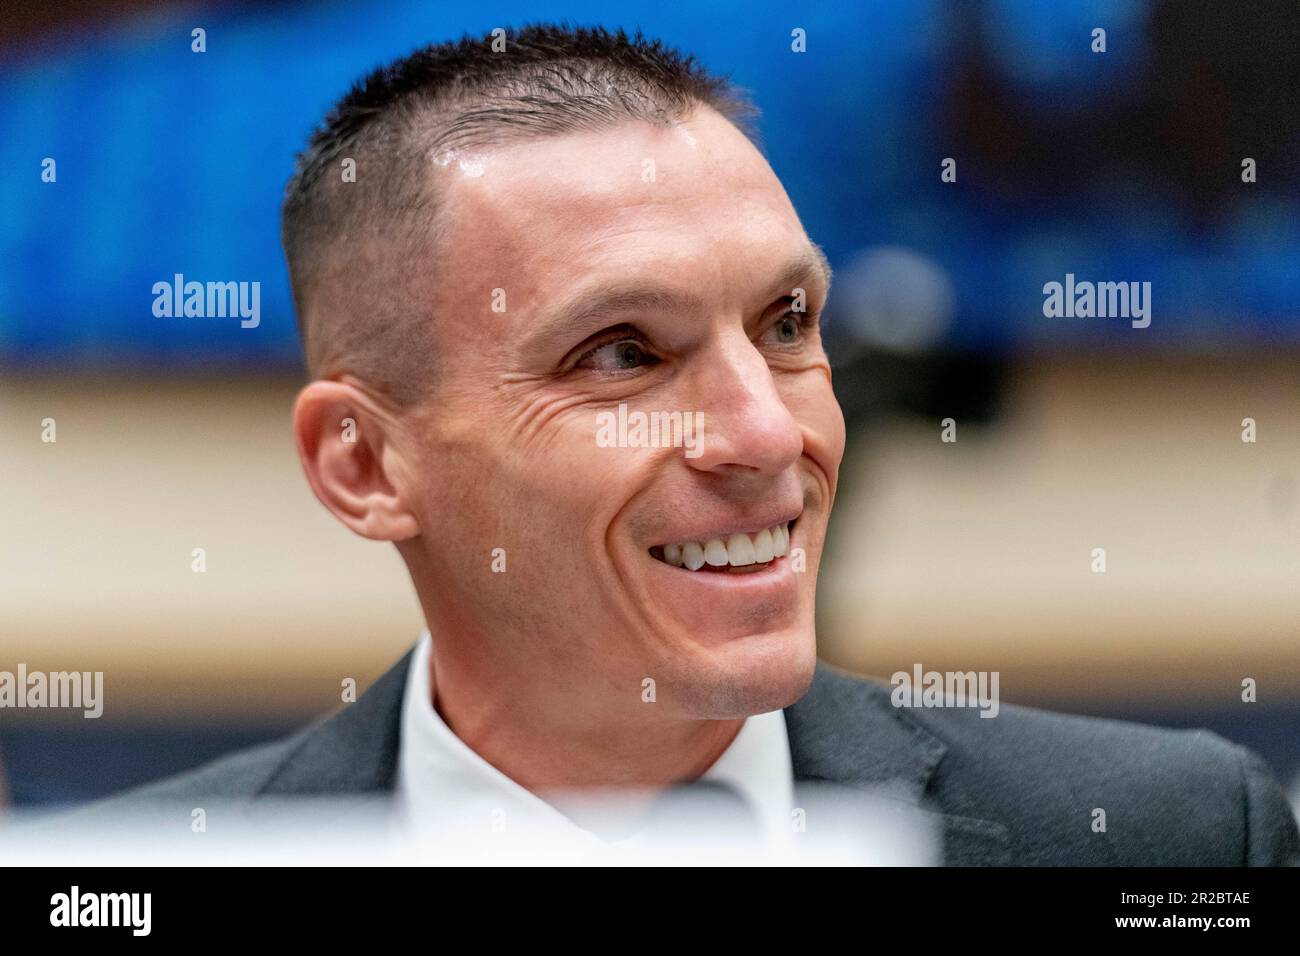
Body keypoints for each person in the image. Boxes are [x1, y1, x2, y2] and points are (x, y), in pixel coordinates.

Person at [65, 24, 1299, 865]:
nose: (772, 432)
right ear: (365, 463)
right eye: (621, 354)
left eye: (788, 323)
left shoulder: (1169, 837)